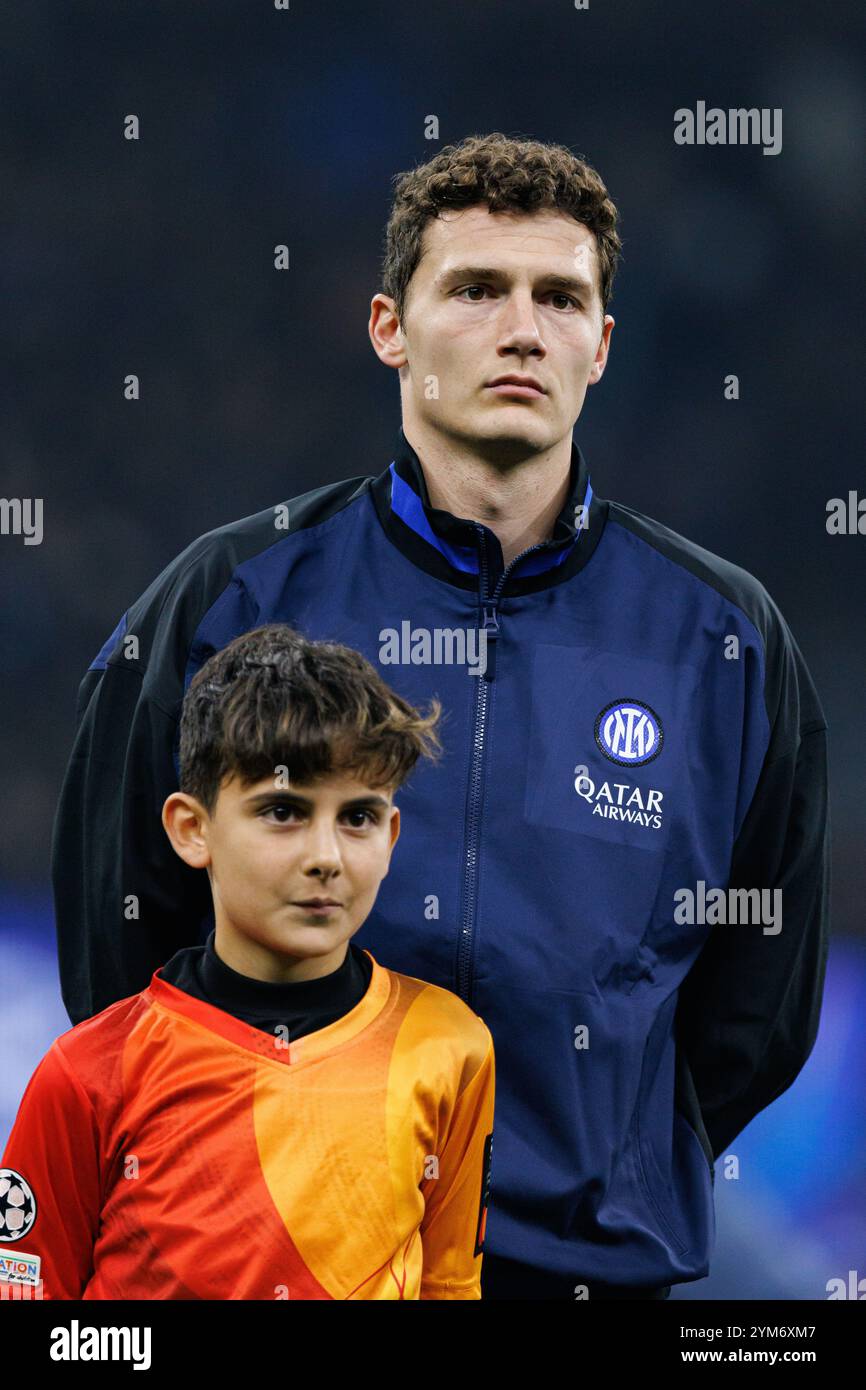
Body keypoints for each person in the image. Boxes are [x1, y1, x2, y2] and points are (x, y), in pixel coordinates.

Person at [50, 131, 830, 1299]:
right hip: (281, 1262)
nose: (521, 328)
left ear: (601, 346)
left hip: (584, 1275)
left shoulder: (725, 637)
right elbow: (116, 938)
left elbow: (758, 1003)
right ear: (389, 329)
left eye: (558, 297)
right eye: (473, 288)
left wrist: (609, 1156)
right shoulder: (227, 594)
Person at [3, 625, 495, 1299]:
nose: (327, 855)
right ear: (191, 829)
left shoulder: (449, 1044)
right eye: (284, 811)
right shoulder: (88, 1076)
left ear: (391, 835)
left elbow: (449, 1286)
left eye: (357, 817)